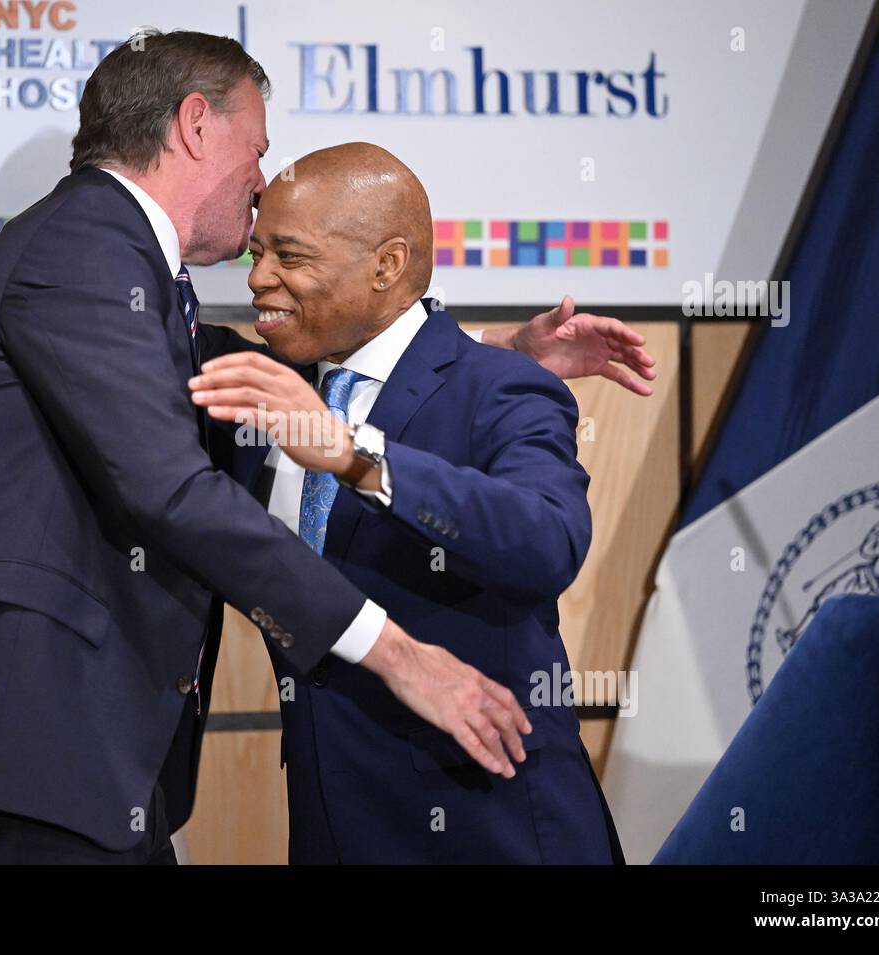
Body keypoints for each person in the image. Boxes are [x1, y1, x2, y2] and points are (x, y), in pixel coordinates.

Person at [0, 31, 536, 865]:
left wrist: (479, 352)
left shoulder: (132, 270)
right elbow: (170, 490)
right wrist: (394, 652)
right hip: (24, 744)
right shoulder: (87, 243)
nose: (261, 180)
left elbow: (237, 368)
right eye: (255, 148)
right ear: (195, 125)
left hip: (66, 758)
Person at [188, 143, 623, 862]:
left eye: (289, 257)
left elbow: (549, 540)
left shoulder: (502, 387)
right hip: (331, 827)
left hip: (490, 828)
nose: (259, 278)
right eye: (257, 251)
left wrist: (355, 454)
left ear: (386, 266)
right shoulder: (261, 381)